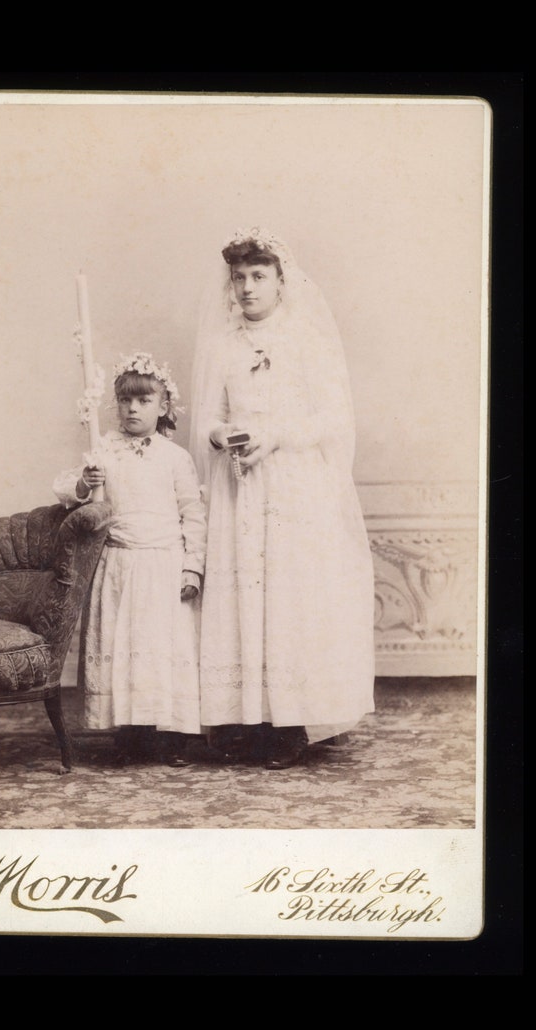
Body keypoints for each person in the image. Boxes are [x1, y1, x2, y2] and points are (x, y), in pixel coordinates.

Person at [188, 227, 376, 769]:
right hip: (238, 485)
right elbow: (207, 416)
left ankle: (290, 722)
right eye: (239, 277)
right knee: (242, 593)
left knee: (290, 595)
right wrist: (220, 434)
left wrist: (276, 436)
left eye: (258, 276)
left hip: (294, 483)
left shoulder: (306, 340)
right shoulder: (222, 345)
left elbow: (333, 417)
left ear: (280, 281)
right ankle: (244, 719)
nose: (247, 287)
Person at [55, 352, 205, 767]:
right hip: (118, 565)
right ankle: (131, 732)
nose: (133, 409)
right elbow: (65, 489)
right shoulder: (104, 451)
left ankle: (172, 735)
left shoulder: (175, 457)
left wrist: (192, 566)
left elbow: (193, 514)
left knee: (163, 646)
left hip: (163, 565)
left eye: (143, 400)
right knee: (124, 647)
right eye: (125, 400)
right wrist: (85, 482)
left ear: (164, 406)